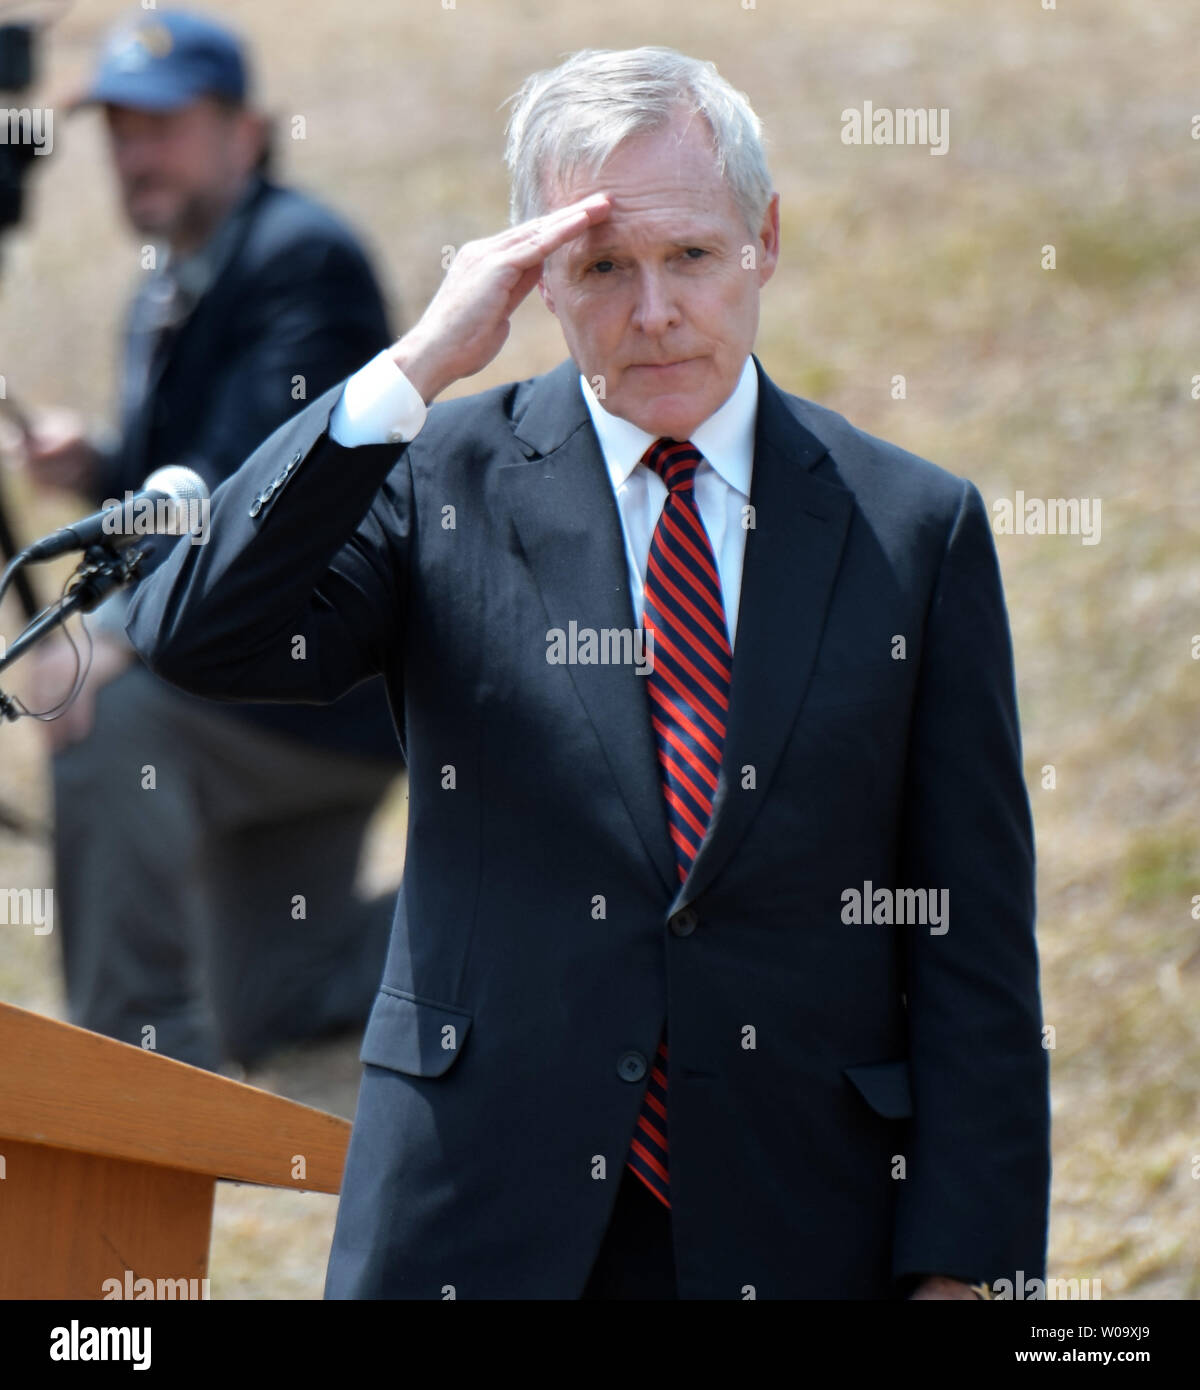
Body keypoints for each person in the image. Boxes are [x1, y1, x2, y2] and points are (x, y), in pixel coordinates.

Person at [125, 46, 1051, 1297]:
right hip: (476, 1219)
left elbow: (972, 934)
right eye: (604, 267)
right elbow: (196, 631)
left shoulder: (913, 526)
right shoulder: (434, 479)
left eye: (692, 257)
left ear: (764, 240)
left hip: (806, 1223)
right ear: (533, 280)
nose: (655, 311)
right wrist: (411, 371)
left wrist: (968, 1266)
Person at [21, 10, 405, 1072]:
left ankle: (127, 1081)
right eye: (120, 130)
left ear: (246, 132)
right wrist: (100, 464)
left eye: (165, 125)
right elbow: (191, 471)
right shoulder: (167, 285)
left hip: (312, 689)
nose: (135, 153)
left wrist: (111, 638)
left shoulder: (302, 255)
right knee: (275, 1005)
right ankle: (526, 912)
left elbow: (259, 489)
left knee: (101, 718)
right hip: (251, 688)